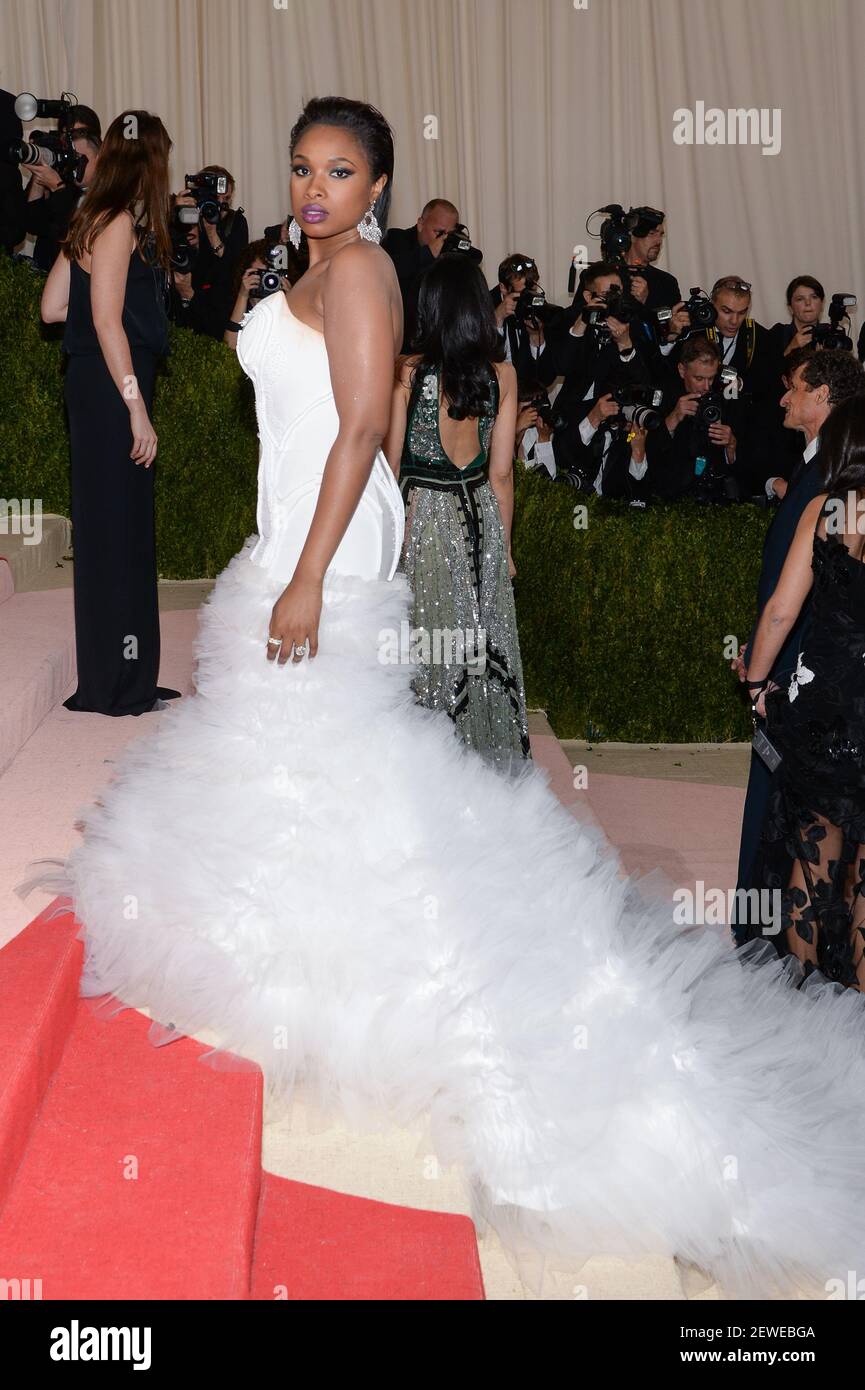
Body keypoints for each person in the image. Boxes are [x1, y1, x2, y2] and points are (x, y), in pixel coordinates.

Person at [22, 96, 865, 1302]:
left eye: (341, 172)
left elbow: (364, 427)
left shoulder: (361, 273)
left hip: (328, 563)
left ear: (378, 190)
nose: (315, 187)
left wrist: (308, 576)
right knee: (312, 774)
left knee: (339, 770)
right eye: (303, 166)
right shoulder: (308, 269)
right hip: (293, 545)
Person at [39, 110, 181, 716]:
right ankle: (121, 684)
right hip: (113, 391)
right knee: (122, 533)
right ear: (148, 162)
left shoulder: (92, 220)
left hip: (90, 389)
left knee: (107, 529)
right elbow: (103, 319)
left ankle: (118, 675)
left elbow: (50, 309)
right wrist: (136, 409)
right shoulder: (118, 223)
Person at [731, 349, 865, 937]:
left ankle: (775, 952)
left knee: (801, 831)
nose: (784, 398)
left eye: (794, 389)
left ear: (826, 400)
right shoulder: (813, 475)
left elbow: (787, 608)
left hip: (809, 688)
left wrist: (762, 675)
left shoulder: (825, 495)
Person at [383, 253, 530, 769]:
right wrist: (504, 549)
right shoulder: (504, 375)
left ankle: (428, 765)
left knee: (428, 642)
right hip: (482, 519)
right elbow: (503, 474)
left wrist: (387, 539)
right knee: (479, 637)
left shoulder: (409, 372)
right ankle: (482, 763)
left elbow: (391, 464)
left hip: (421, 517)